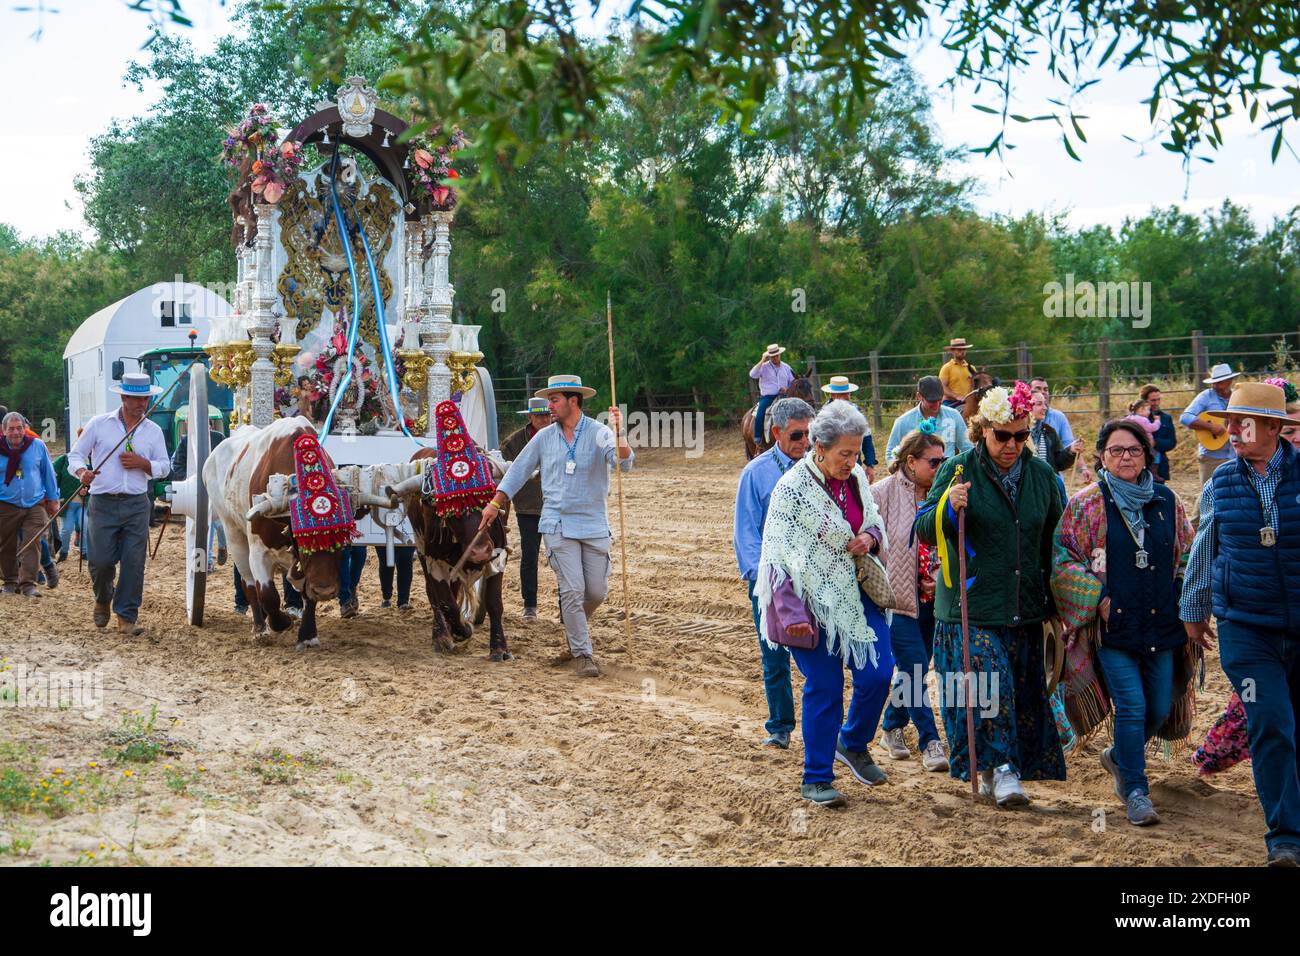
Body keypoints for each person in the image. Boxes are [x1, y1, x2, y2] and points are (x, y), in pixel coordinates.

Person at [915, 381, 1066, 807]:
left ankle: (998, 765)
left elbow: (1056, 541)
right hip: (971, 604)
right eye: (1003, 436)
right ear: (983, 430)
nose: (1013, 445)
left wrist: (1060, 603)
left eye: (1021, 435)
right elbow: (923, 527)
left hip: (1025, 606)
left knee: (1018, 692)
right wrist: (947, 503)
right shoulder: (959, 469)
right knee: (987, 683)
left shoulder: (1042, 477)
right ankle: (1002, 769)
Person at [1051, 419, 1198, 826]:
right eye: (1116, 450)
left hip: (1163, 625)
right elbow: (1064, 560)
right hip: (1114, 628)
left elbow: (1187, 553)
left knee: (1158, 706)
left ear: (1146, 456)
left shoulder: (1168, 501)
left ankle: (1117, 756)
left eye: (1133, 450)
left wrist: (1185, 593)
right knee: (1132, 707)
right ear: (1101, 456)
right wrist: (1098, 600)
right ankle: (1135, 789)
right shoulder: (1087, 504)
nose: (1125, 457)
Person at [1181, 381, 1300, 867]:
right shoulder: (1219, 483)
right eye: (1228, 421)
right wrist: (1193, 609)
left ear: (1273, 428)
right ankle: (1285, 838)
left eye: (1242, 422)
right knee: (1270, 722)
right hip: (1244, 629)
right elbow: (1204, 548)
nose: (1230, 430)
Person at [756, 400, 895, 807]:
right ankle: (816, 778)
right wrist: (792, 613)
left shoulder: (856, 480)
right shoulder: (791, 490)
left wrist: (869, 538)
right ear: (819, 446)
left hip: (857, 593)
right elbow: (776, 557)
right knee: (826, 687)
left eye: (856, 452)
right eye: (844, 454)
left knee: (878, 674)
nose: (852, 461)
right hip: (808, 603)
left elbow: (873, 520)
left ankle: (852, 742)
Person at [481, 374, 634, 678]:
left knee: (596, 592)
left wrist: (620, 434)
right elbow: (518, 471)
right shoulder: (543, 437)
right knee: (574, 590)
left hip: (593, 524)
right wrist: (496, 503)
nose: (548, 406)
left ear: (573, 401)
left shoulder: (600, 432)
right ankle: (583, 653)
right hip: (556, 524)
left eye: (554, 400)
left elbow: (624, 464)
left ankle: (573, 623)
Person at [733, 396, 814, 749]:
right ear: (777, 432)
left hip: (813, 576)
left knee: (820, 655)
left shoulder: (818, 468)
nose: (804, 444)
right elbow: (746, 532)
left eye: (809, 435)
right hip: (771, 578)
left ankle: (820, 724)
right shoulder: (756, 473)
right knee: (774, 654)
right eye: (797, 436)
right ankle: (780, 725)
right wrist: (759, 580)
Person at [67, 372, 171, 635]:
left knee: (134, 562)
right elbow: (76, 455)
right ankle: (103, 598)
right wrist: (82, 473)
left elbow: (165, 466)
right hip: (102, 503)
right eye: (136, 398)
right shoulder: (99, 424)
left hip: (137, 504)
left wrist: (144, 464)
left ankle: (126, 616)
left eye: (145, 398)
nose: (141, 404)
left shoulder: (154, 431)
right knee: (100, 562)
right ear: (123, 397)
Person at [872, 427, 950, 771]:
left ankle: (890, 726)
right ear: (911, 461)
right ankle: (931, 740)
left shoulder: (946, 492)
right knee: (916, 669)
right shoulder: (882, 493)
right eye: (934, 461)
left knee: (911, 672)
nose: (940, 467)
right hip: (897, 601)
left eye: (944, 461)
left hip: (936, 600)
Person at [499, 396, 552, 619]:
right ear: (530, 417)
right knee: (529, 556)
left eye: (546, 415)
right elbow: (505, 471)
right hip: (527, 508)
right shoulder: (512, 443)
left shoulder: (560, 435)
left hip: (554, 507)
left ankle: (564, 606)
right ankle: (529, 604)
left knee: (559, 557)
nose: (543, 419)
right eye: (539, 415)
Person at [0, 412, 60, 598]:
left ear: (25, 428)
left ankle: (28, 585)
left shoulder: (37, 446)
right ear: (3, 431)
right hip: (6, 503)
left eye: (19, 428)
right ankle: (10, 582)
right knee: (6, 545)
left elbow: (48, 474)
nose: (16, 432)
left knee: (33, 542)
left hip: (35, 503)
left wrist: (53, 499)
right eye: (11, 429)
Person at [884, 375, 973, 463]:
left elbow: (967, 447)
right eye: (932, 401)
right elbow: (890, 453)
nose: (937, 404)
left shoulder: (954, 415)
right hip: (916, 475)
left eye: (939, 399)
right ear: (919, 396)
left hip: (948, 472)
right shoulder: (903, 422)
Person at [1180, 363, 1240, 488]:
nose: (1215, 386)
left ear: (1229, 381)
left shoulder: (1239, 397)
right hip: (1211, 457)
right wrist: (1210, 427)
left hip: (1236, 455)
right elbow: (1185, 417)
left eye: (1219, 382)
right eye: (1214, 382)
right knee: (1209, 496)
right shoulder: (1206, 396)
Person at [821, 376, 878, 480]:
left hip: (855, 465)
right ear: (833, 395)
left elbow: (866, 439)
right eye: (842, 394)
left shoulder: (857, 412)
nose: (846, 397)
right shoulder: (824, 414)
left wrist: (870, 465)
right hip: (830, 468)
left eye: (847, 393)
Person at [53, 433, 88, 562]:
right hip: (67, 503)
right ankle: (64, 552)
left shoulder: (89, 462)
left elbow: (95, 483)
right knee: (66, 529)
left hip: (84, 503)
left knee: (85, 526)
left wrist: (87, 491)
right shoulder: (63, 460)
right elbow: (53, 475)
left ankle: (84, 552)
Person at [750, 344, 795, 444]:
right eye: (772, 356)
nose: (775, 358)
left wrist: (787, 389)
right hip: (768, 397)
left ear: (780, 355)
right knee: (760, 413)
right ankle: (758, 438)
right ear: (769, 357)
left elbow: (793, 382)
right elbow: (752, 374)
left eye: (777, 355)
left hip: (785, 396)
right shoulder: (763, 367)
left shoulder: (786, 367)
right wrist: (762, 360)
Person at [1139, 384, 1177, 483]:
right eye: (1153, 400)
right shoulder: (1136, 419)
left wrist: (1155, 443)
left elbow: (1171, 442)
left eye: (1158, 400)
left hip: (1159, 467)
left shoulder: (1165, 418)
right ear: (1144, 401)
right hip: (1138, 465)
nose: (1156, 403)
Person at [374, 545, 415, 609]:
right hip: (382, 536)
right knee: (386, 563)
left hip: (407, 536)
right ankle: (386, 597)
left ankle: (403, 601)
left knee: (405, 561)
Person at [939, 338, 977, 406]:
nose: (962, 351)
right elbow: (942, 386)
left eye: (964, 349)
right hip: (950, 402)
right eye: (959, 349)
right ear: (952, 351)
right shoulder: (947, 367)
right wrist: (956, 396)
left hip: (968, 402)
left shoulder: (972, 368)